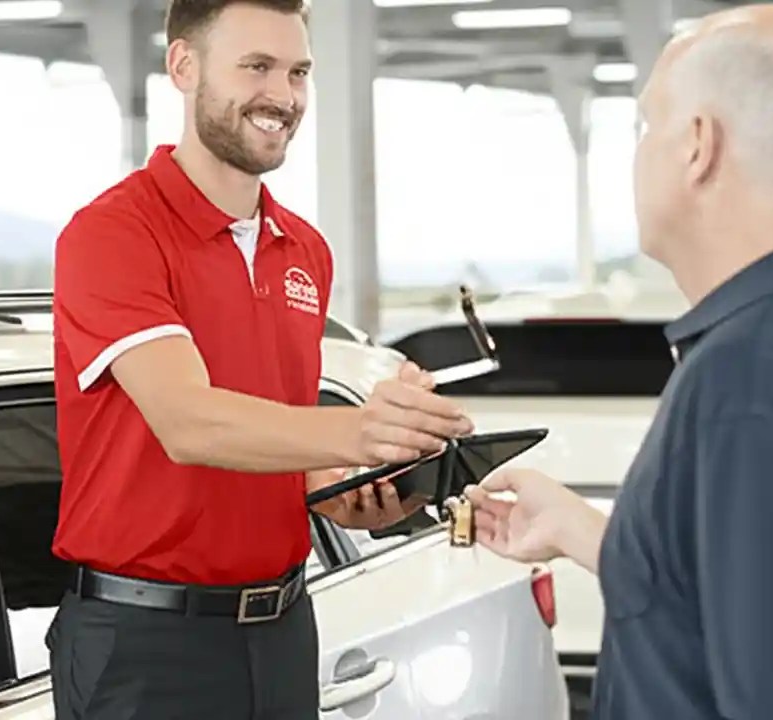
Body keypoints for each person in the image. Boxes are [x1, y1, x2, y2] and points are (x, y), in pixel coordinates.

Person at [464, 5, 773, 720]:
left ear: (696, 146)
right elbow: (753, 603)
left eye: (647, 125)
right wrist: (586, 531)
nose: (641, 150)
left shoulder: (753, 379)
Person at [44, 1, 474, 718]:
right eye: (257, 67)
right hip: (144, 644)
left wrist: (357, 488)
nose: (284, 95)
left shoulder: (304, 249)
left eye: (299, 71)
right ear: (183, 67)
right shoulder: (113, 236)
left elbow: (276, 436)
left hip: (282, 629)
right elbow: (191, 424)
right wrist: (365, 430)